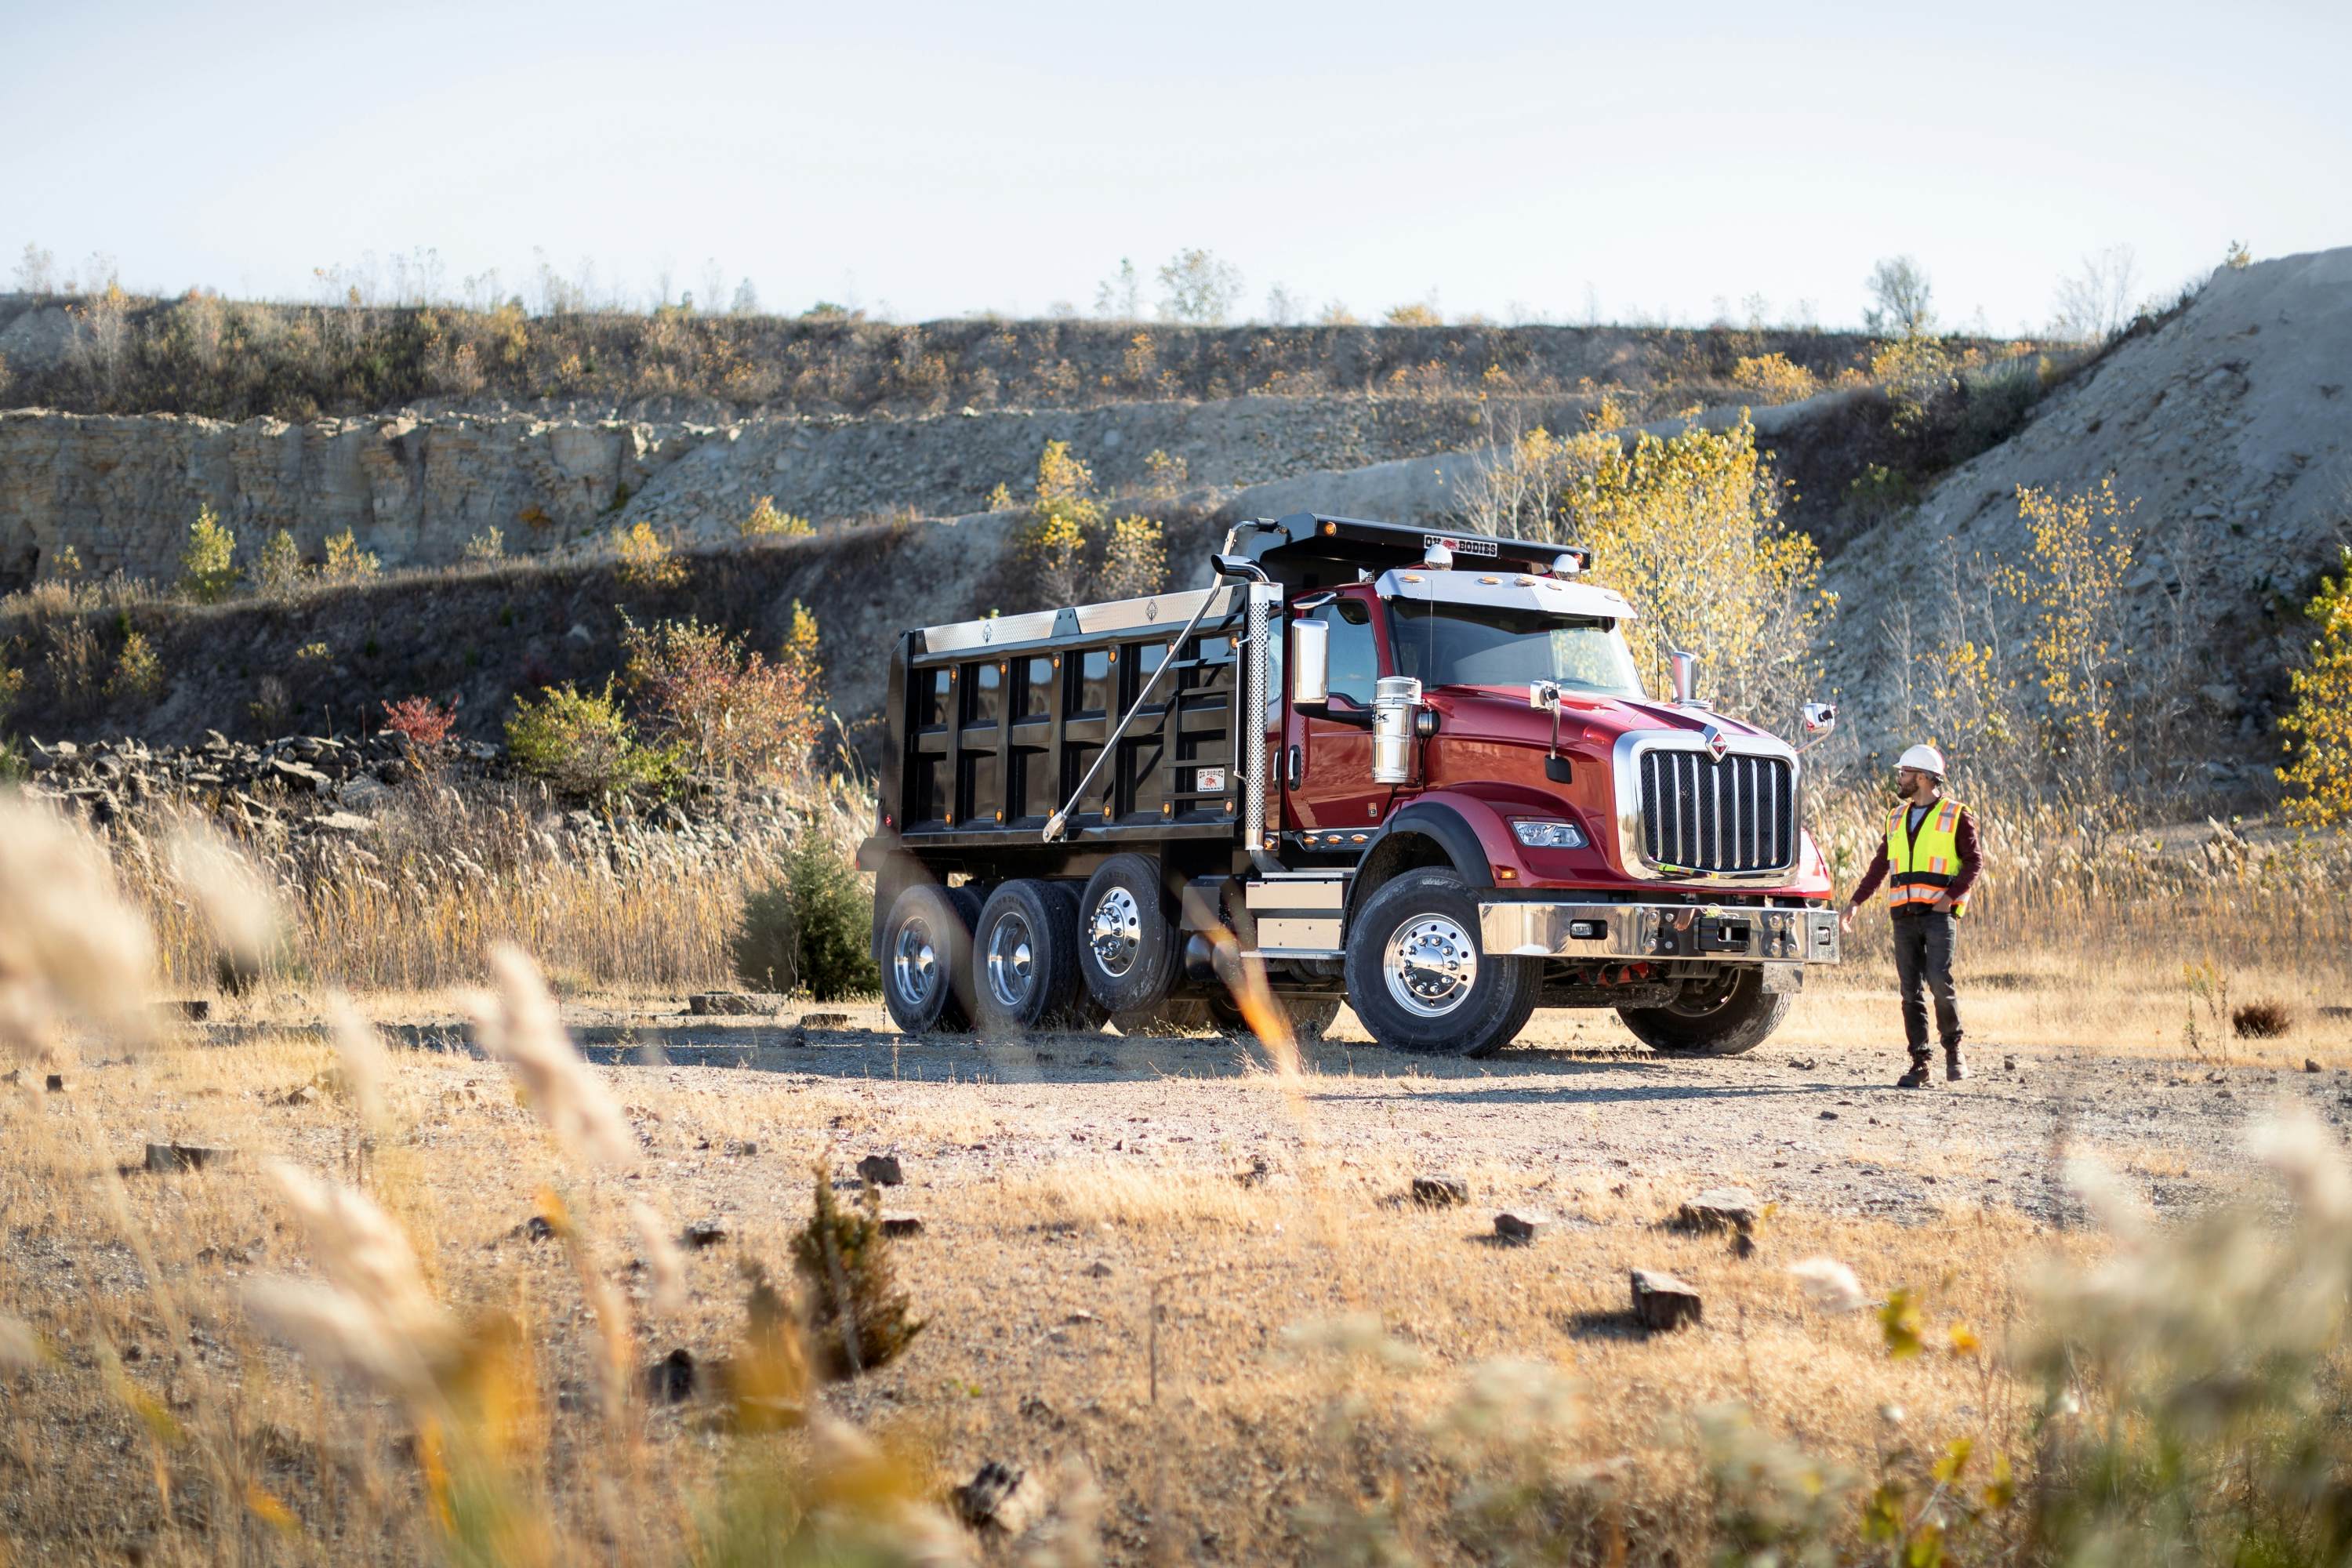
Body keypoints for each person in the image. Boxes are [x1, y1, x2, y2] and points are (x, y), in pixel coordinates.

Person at [1838, 744, 1983, 1087]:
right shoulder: (1895, 817)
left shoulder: (1956, 814)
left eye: (1904, 773)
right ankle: (1921, 1063)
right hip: (1903, 916)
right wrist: (1856, 902)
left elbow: (1974, 862)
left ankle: (1953, 1050)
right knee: (1910, 992)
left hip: (1938, 915)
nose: (1899, 779)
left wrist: (1949, 899)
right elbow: (1880, 865)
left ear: (1922, 778)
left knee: (1939, 980)